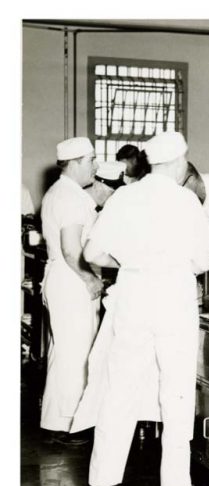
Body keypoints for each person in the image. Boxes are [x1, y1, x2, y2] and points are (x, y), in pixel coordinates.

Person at [83, 130, 209, 486]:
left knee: (119, 386)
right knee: (175, 391)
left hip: (132, 298)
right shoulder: (185, 200)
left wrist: (129, 262)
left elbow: (92, 251)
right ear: (179, 162)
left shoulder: (124, 196)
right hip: (172, 298)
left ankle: (102, 478)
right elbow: (206, 261)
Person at [39, 136, 103, 445]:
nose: (95, 166)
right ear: (76, 162)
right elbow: (70, 248)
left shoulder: (59, 192)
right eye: (91, 161)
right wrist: (89, 278)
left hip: (62, 279)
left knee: (65, 351)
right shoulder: (70, 197)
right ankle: (65, 426)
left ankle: (59, 422)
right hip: (71, 279)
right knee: (74, 354)